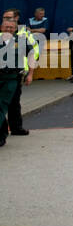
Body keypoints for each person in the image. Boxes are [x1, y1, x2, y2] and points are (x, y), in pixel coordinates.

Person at [2, 9, 37, 138]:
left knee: (14, 102)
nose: (7, 22)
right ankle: (3, 130)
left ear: (16, 19)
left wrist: (30, 74)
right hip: (2, 76)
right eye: (5, 18)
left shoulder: (23, 35)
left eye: (9, 18)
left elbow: (32, 53)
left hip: (15, 75)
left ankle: (16, 127)